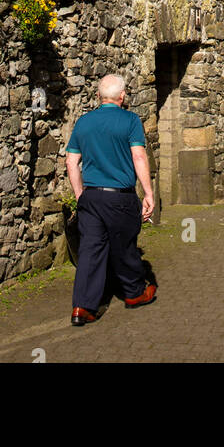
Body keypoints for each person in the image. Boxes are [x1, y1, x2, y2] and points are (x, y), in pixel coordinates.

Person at [65, 73, 157, 326]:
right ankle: (134, 293)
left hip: (92, 197)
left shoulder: (84, 122)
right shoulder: (130, 121)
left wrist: (80, 194)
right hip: (120, 197)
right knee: (125, 246)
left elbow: (71, 161)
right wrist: (148, 193)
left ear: (98, 96)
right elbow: (139, 157)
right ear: (122, 96)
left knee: (90, 250)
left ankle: (83, 306)